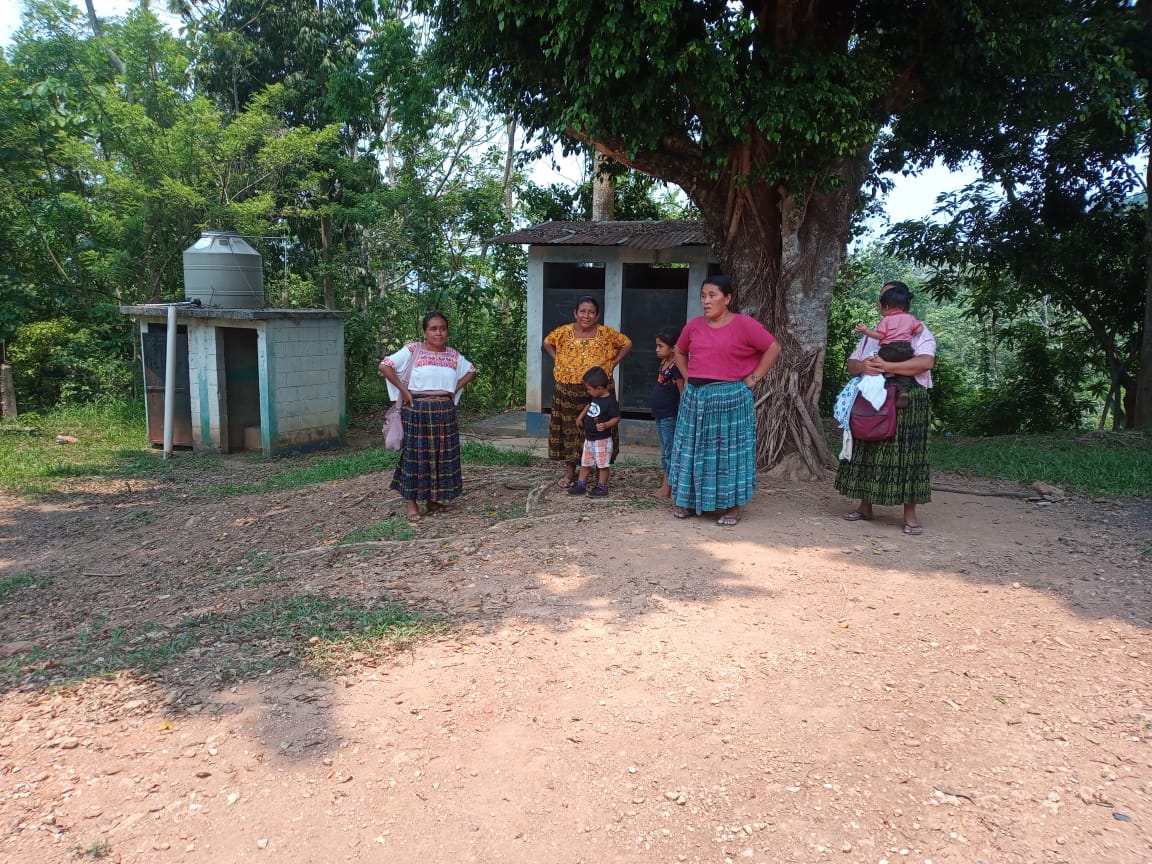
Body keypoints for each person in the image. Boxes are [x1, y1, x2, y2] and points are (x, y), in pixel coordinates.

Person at [668, 275, 781, 526]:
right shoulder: (694, 326)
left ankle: (732, 507)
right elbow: (679, 351)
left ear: (727, 298)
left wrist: (753, 378)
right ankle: (689, 501)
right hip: (695, 399)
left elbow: (773, 347)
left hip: (730, 399)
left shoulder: (744, 325)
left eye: (712, 296)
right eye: (703, 296)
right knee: (692, 448)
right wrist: (688, 377)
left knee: (729, 453)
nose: (706, 301)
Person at [836, 281, 936, 536]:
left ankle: (910, 516)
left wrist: (888, 367)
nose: (882, 302)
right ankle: (865, 506)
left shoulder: (918, 329)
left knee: (908, 455)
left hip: (908, 398)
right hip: (873, 395)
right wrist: (864, 367)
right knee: (868, 449)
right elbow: (852, 364)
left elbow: (926, 362)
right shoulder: (876, 331)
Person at [379, 312, 476, 522]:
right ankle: (412, 503)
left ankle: (433, 500)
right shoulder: (413, 350)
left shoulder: (453, 355)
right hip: (417, 411)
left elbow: (471, 370)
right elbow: (385, 366)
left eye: (443, 328)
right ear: (425, 332)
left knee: (442, 455)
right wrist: (404, 392)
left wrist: (454, 388)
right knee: (416, 456)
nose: (438, 333)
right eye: (433, 329)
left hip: (445, 412)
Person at [542, 295, 632, 488]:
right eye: (582, 311)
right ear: (575, 313)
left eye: (591, 312)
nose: (586, 315)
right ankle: (570, 473)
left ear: (597, 316)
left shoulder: (606, 334)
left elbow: (627, 343)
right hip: (567, 392)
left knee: (600, 430)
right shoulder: (564, 332)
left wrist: (613, 363)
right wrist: (558, 360)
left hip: (599, 393)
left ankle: (600, 473)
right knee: (570, 430)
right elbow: (547, 342)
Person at [854, 287, 924, 408]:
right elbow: (919, 330)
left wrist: (866, 330)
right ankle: (903, 391)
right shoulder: (910, 318)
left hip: (889, 349)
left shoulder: (886, 320)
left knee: (875, 362)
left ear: (885, 306)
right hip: (906, 350)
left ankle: (880, 388)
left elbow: (880, 335)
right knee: (904, 372)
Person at [568, 366, 621, 498]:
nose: (588, 391)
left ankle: (602, 486)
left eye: (589, 389)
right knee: (585, 463)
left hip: (602, 440)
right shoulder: (595, 397)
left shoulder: (610, 402)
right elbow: (589, 406)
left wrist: (606, 424)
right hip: (589, 438)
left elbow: (617, 418)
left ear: (599, 388)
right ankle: (581, 484)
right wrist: (580, 417)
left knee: (602, 465)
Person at [650, 325, 684, 499]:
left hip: (670, 415)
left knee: (669, 451)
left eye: (661, 346)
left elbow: (682, 392)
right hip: (660, 414)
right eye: (657, 346)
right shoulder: (664, 363)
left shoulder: (677, 367)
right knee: (665, 450)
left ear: (673, 348)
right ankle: (667, 486)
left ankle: (668, 488)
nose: (657, 349)